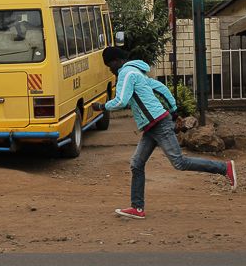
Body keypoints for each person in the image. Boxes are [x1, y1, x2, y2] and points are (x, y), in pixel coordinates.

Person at [91, 46, 237, 220]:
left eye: (109, 65)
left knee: (179, 162)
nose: (110, 69)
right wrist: (174, 110)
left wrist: (101, 107)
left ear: (116, 61)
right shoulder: (138, 72)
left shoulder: (127, 73)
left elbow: (121, 101)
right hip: (152, 126)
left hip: (158, 123)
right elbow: (160, 87)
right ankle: (137, 208)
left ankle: (224, 167)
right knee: (137, 164)